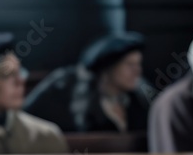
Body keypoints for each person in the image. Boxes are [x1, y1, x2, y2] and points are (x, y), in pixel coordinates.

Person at [24, 32, 155, 133]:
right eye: (129, 64)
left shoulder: (140, 100)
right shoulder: (69, 89)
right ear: (108, 67)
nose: (137, 71)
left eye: (138, 64)